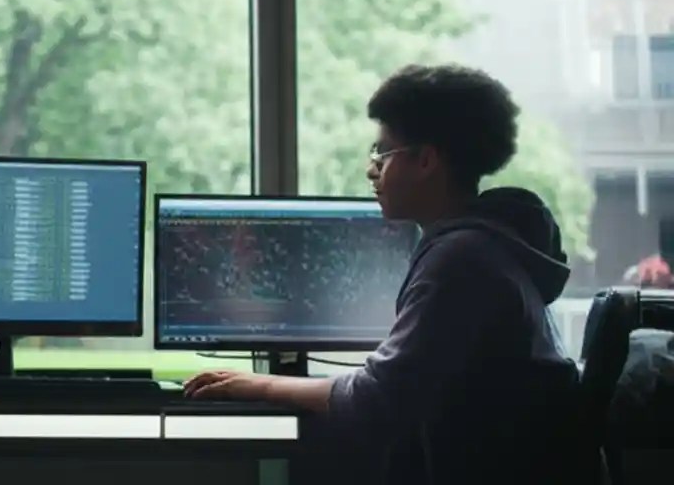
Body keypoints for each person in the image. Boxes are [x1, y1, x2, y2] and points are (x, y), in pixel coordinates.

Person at [185, 64, 585, 484]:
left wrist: (259, 386)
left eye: (383, 153)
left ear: (426, 160)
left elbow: (375, 399)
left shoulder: (460, 261)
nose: (371, 170)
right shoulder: (485, 247)